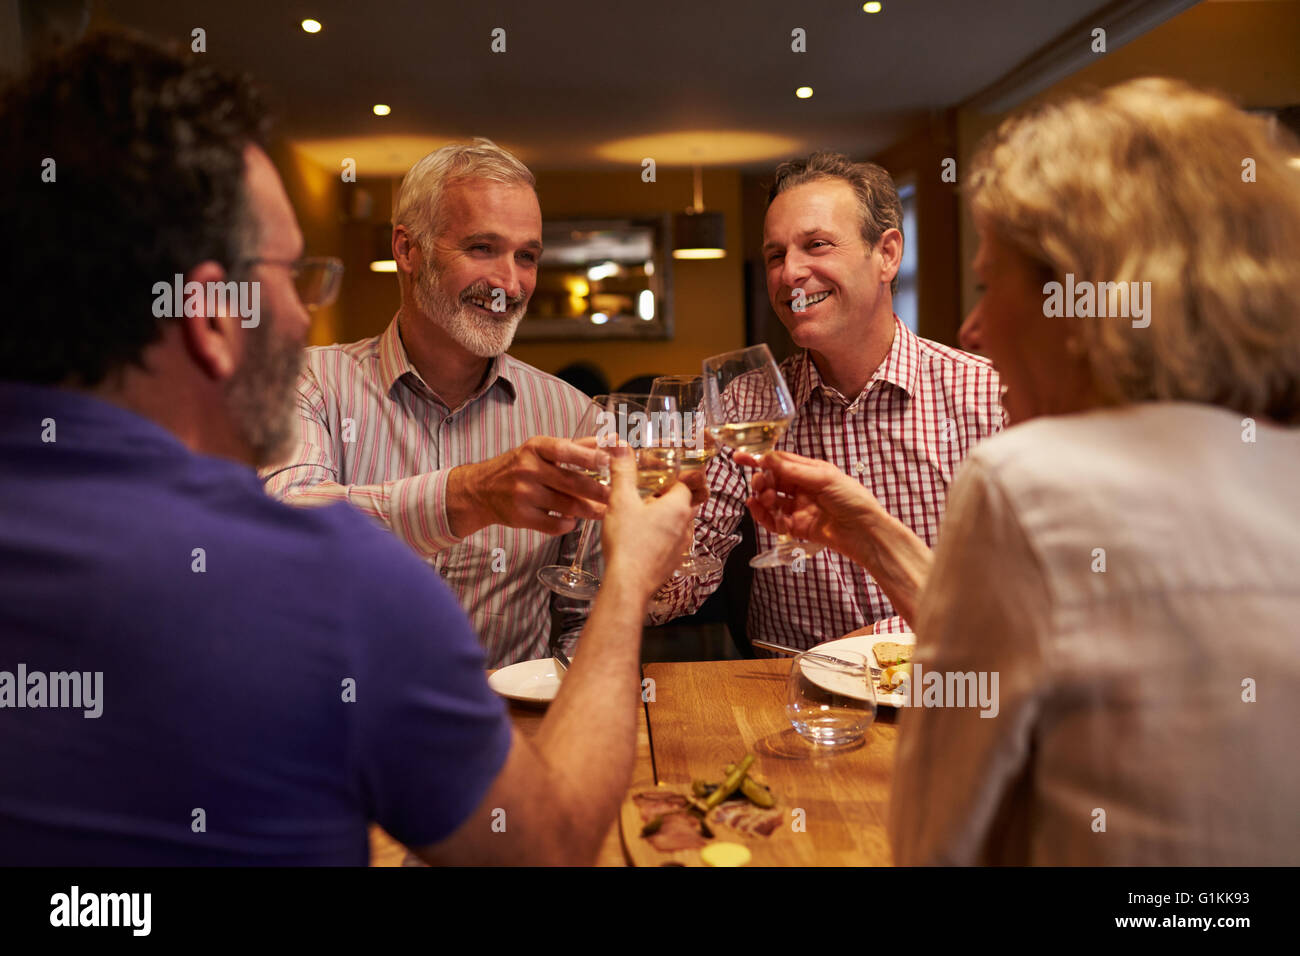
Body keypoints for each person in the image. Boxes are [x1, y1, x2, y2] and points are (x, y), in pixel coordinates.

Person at [0, 32, 692, 866]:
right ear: (216, 317)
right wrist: (627, 577)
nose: (302, 317)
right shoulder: (333, 579)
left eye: (528, 256)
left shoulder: (567, 412)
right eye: (295, 279)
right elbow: (545, 847)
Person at [743, 79, 1300, 864]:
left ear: (1080, 299)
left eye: (988, 282)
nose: (972, 325)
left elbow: (938, 841)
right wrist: (871, 533)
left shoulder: (1028, 479)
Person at [261, 140, 606, 668]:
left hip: (505, 730)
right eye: (482, 248)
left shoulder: (574, 416)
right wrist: (470, 495)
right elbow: (287, 526)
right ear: (406, 249)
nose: (508, 284)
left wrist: (558, 715)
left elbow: (585, 612)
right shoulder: (308, 379)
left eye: (526, 256)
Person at [650, 152, 1003, 649]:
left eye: (816, 245)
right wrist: (662, 524)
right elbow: (672, 598)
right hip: (785, 697)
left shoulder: (987, 396)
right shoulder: (742, 406)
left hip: (946, 690)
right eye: (775, 255)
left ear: (887, 255)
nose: (790, 272)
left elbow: (1020, 596)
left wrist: (868, 643)